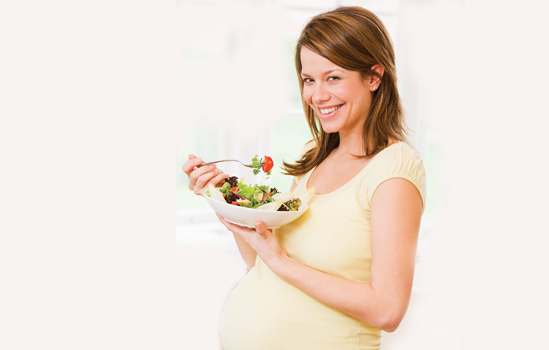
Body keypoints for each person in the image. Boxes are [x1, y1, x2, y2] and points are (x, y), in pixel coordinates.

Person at [181, 6, 425, 349]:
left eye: (333, 77)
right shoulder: (317, 156)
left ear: (373, 77)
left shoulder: (394, 170)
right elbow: (263, 265)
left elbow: (387, 308)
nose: (317, 96)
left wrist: (279, 261)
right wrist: (227, 200)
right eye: (309, 79)